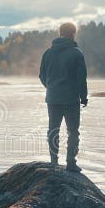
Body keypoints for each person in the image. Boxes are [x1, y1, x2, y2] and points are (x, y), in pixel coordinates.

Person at [39, 22, 88, 171]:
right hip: (71, 99)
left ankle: (54, 162)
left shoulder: (48, 52)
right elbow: (81, 78)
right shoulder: (76, 53)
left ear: (60, 33)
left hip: (53, 98)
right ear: (73, 34)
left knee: (53, 130)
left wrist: (52, 88)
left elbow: (41, 75)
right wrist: (83, 97)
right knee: (73, 131)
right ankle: (71, 163)